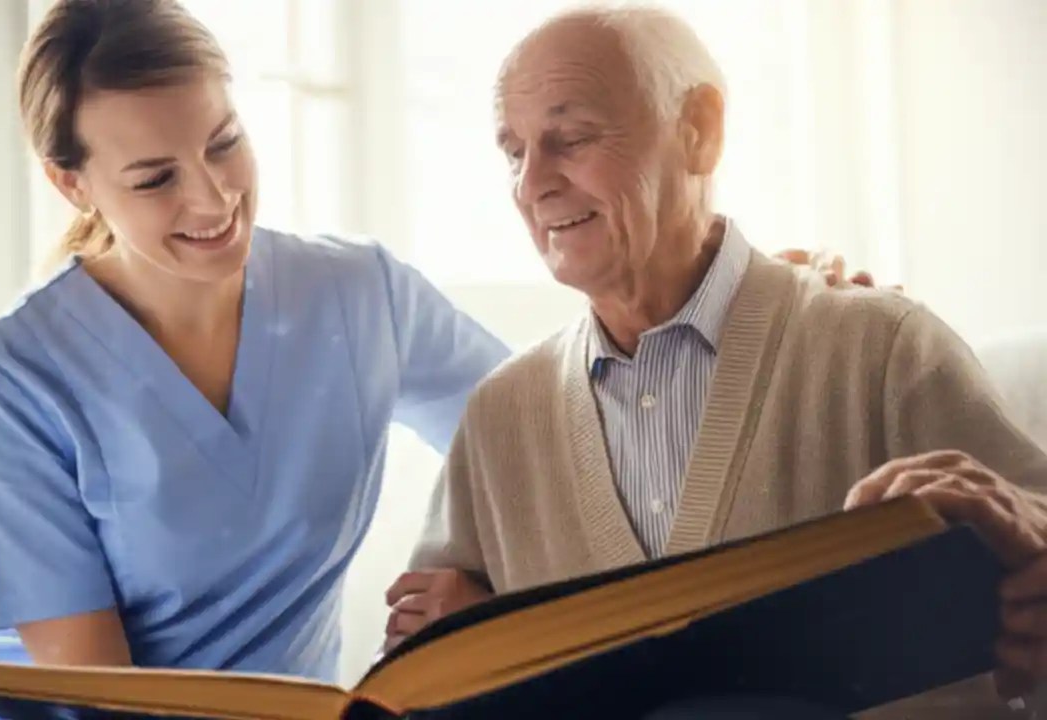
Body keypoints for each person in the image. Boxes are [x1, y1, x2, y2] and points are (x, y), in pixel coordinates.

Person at [0, 2, 872, 717]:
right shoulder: (16, 375)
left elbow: (571, 429)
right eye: (155, 177)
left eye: (225, 144)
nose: (214, 198)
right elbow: (97, 693)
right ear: (69, 180)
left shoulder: (356, 295)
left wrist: (744, 295)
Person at [383, 7, 1047, 719]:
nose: (531, 184)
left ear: (699, 131)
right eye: (514, 152)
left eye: (570, 138)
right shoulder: (499, 417)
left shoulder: (885, 350)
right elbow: (425, 673)